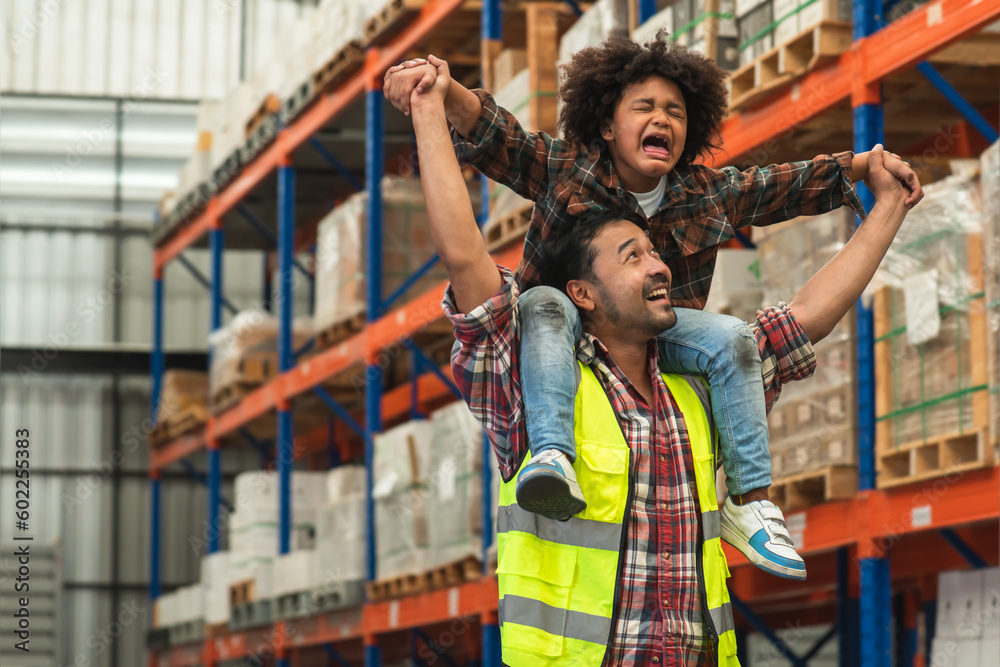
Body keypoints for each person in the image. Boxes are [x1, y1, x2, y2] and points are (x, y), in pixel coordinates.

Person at [404, 51, 916, 665]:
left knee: (733, 339)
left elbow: (799, 289)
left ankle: (750, 504)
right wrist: (433, 101)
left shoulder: (698, 390)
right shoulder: (522, 385)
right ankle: (552, 457)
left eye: (675, 110)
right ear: (604, 123)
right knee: (539, 308)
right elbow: (489, 175)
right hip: (551, 328)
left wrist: (879, 195)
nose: (658, 265)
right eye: (631, 255)